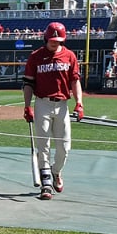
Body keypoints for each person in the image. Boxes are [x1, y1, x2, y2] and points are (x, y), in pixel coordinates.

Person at [22, 22, 83, 200]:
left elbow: (75, 81)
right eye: (52, 40)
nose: (55, 43)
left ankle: (56, 171)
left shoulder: (69, 56)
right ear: (46, 39)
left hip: (62, 104)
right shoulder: (36, 57)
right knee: (43, 146)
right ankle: (46, 185)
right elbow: (28, 83)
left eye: (58, 40)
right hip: (42, 103)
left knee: (64, 147)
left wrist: (79, 103)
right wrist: (27, 105)